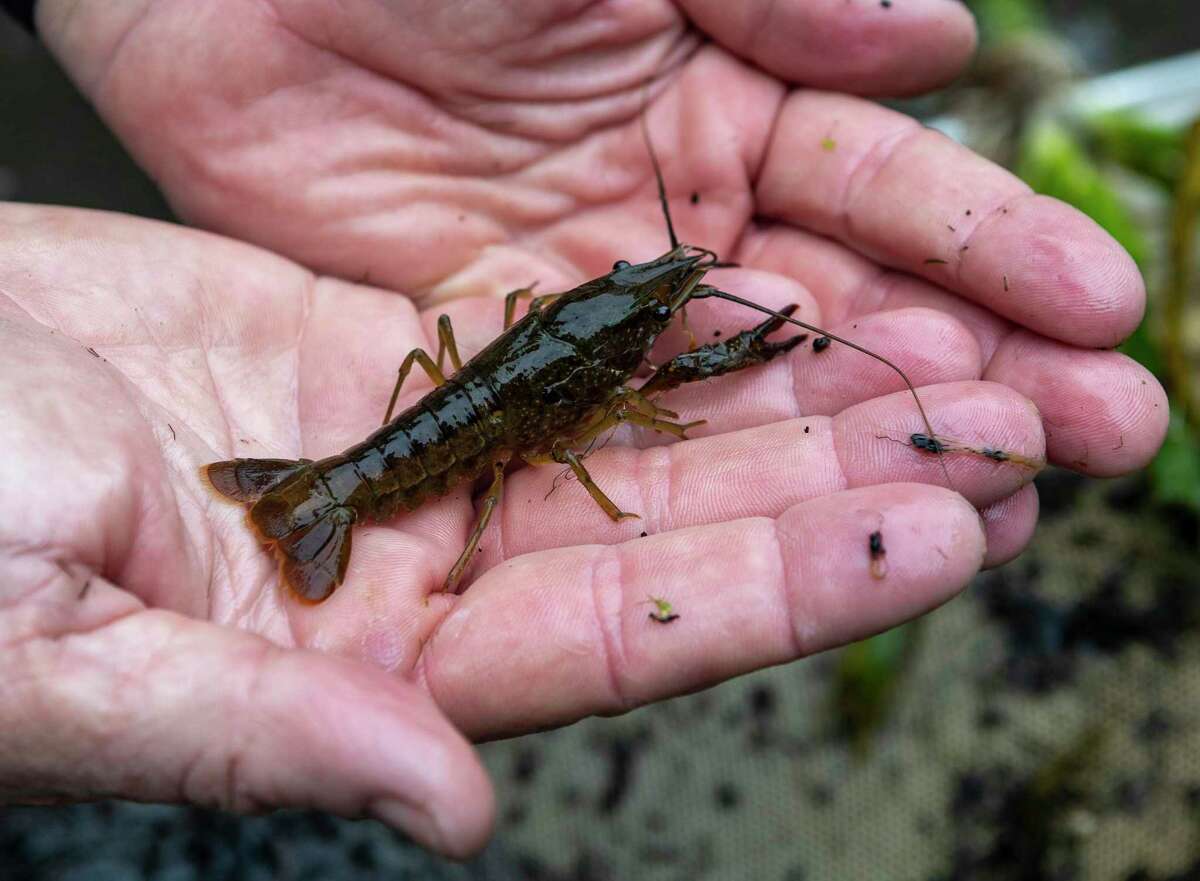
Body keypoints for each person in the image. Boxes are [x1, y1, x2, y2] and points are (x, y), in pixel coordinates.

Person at [0, 0, 1168, 859]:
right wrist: (636, 417)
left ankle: (320, 486)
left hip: (436, 412)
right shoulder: (602, 371)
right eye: (643, 297)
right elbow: (615, 409)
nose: (655, 300)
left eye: (646, 298)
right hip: (417, 454)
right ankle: (324, 498)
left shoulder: (565, 310)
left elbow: (585, 331)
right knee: (613, 427)